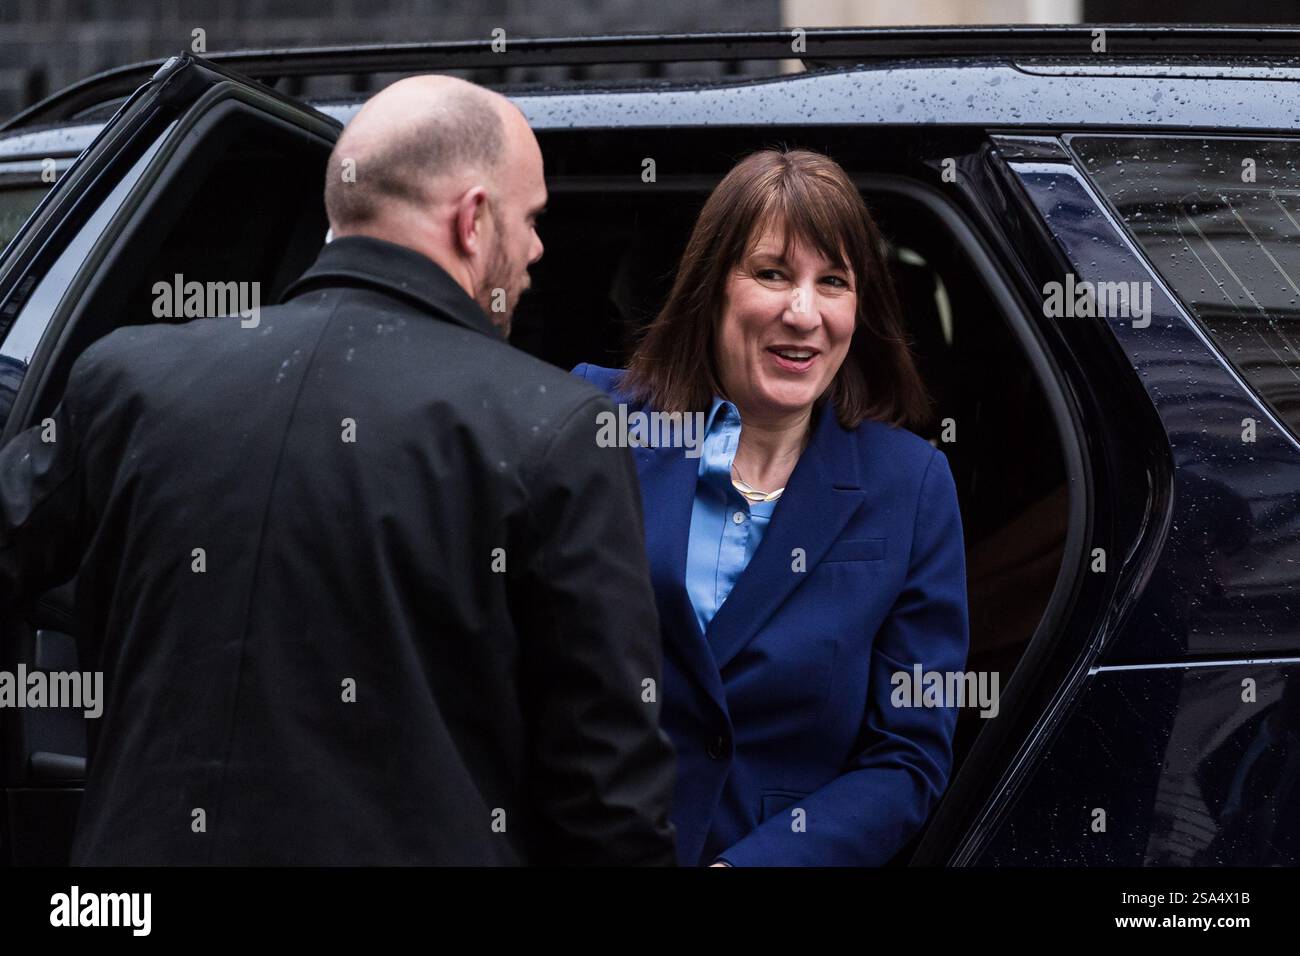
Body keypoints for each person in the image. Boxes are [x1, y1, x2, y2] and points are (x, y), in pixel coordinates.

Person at [0, 75, 677, 865]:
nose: (535, 251)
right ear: (473, 218)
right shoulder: (557, 429)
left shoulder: (127, 378)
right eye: (530, 221)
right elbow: (607, 788)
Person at [572, 148, 969, 866]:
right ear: (712, 287)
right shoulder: (594, 425)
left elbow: (908, 756)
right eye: (772, 273)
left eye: (835, 282)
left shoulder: (910, 486)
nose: (804, 312)